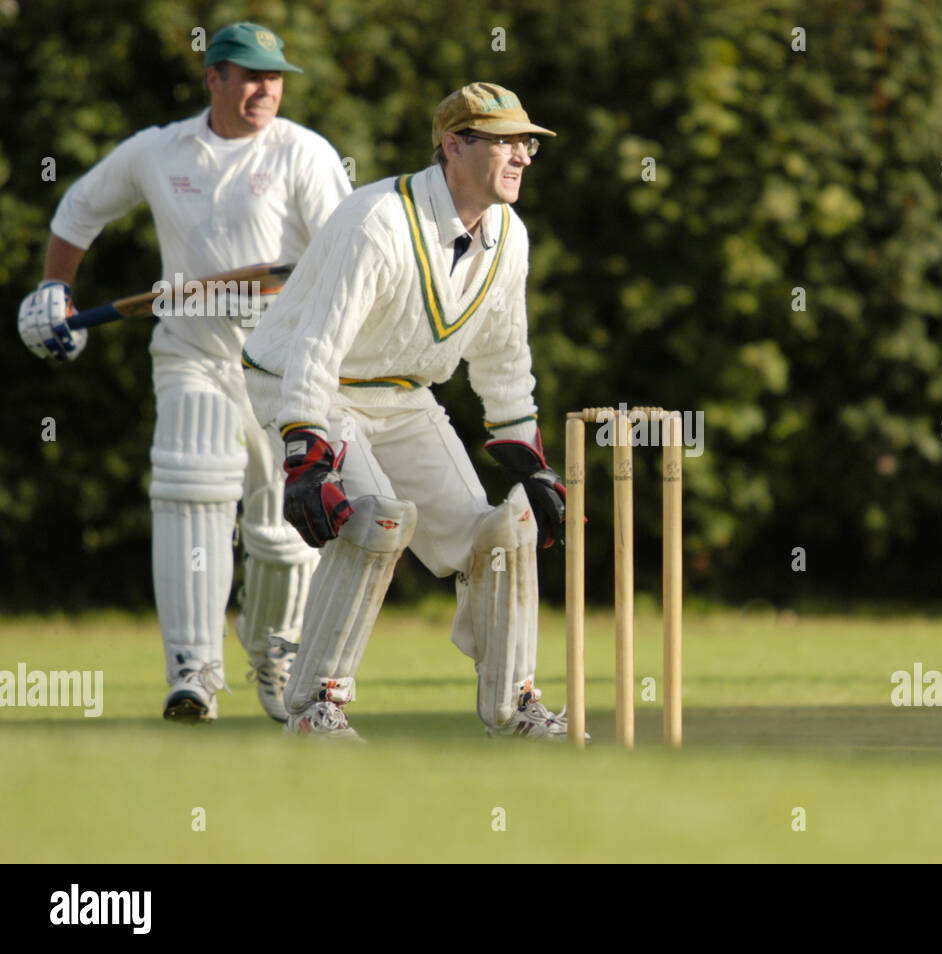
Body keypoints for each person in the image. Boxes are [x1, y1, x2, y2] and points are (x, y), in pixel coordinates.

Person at [18, 22, 352, 724]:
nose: (266, 89)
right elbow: (79, 206)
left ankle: (275, 653)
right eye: (251, 75)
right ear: (215, 79)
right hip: (191, 353)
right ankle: (192, 670)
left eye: (276, 77)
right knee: (189, 491)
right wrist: (56, 289)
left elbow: (339, 263)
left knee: (285, 527)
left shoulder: (304, 153)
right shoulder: (159, 150)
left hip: (283, 361)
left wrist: (258, 293)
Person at [240, 82, 571, 741]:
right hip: (307, 380)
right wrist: (307, 450)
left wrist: (529, 460)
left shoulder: (511, 236)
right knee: (377, 520)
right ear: (454, 145)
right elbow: (317, 343)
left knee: (502, 533)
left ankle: (515, 704)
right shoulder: (377, 221)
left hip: (403, 392)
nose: (523, 157)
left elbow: (506, 355)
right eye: (506, 141)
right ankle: (316, 708)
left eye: (527, 143)